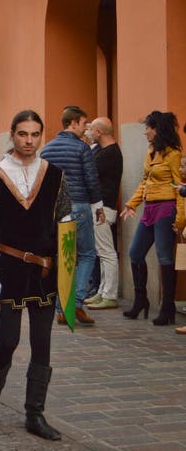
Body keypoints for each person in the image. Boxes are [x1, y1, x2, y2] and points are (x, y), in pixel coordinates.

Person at [0, 110, 71, 441]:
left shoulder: (56, 176)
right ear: (12, 136)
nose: (29, 141)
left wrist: (66, 274)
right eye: (22, 134)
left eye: (34, 135)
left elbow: (65, 225)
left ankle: (35, 413)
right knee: (9, 340)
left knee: (42, 342)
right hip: (8, 269)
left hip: (44, 269)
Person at [41, 105, 104, 326]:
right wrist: (98, 206)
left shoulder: (46, 150)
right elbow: (91, 178)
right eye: (84, 124)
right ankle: (74, 304)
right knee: (87, 255)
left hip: (56, 210)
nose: (85, 129)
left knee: (65, 258)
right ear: (73, 122)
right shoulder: (82, 148)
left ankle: (62, 309)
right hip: (79, 206)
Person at [120, 110, 185, 325]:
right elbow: (144, 181)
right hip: (149, 208)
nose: (145, 132)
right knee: (135, 252)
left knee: (165, 257)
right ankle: (141, 300)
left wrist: (180, 219)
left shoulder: (173, 154)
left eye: (148, 128)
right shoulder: (151, 152)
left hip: (166, 209)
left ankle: (168, 306)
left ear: (157, 129)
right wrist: (132, 203)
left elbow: (180, 187)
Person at [84, 118, 123, 310]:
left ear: (99, 132)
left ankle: (110, 294)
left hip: (103, 208)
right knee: (102, 251)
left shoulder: (109, 153)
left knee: (107, 252)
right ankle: (102, 291)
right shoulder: (103, 151)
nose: (88, 132)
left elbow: (89, 173)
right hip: (101, 207)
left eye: (91, 129)